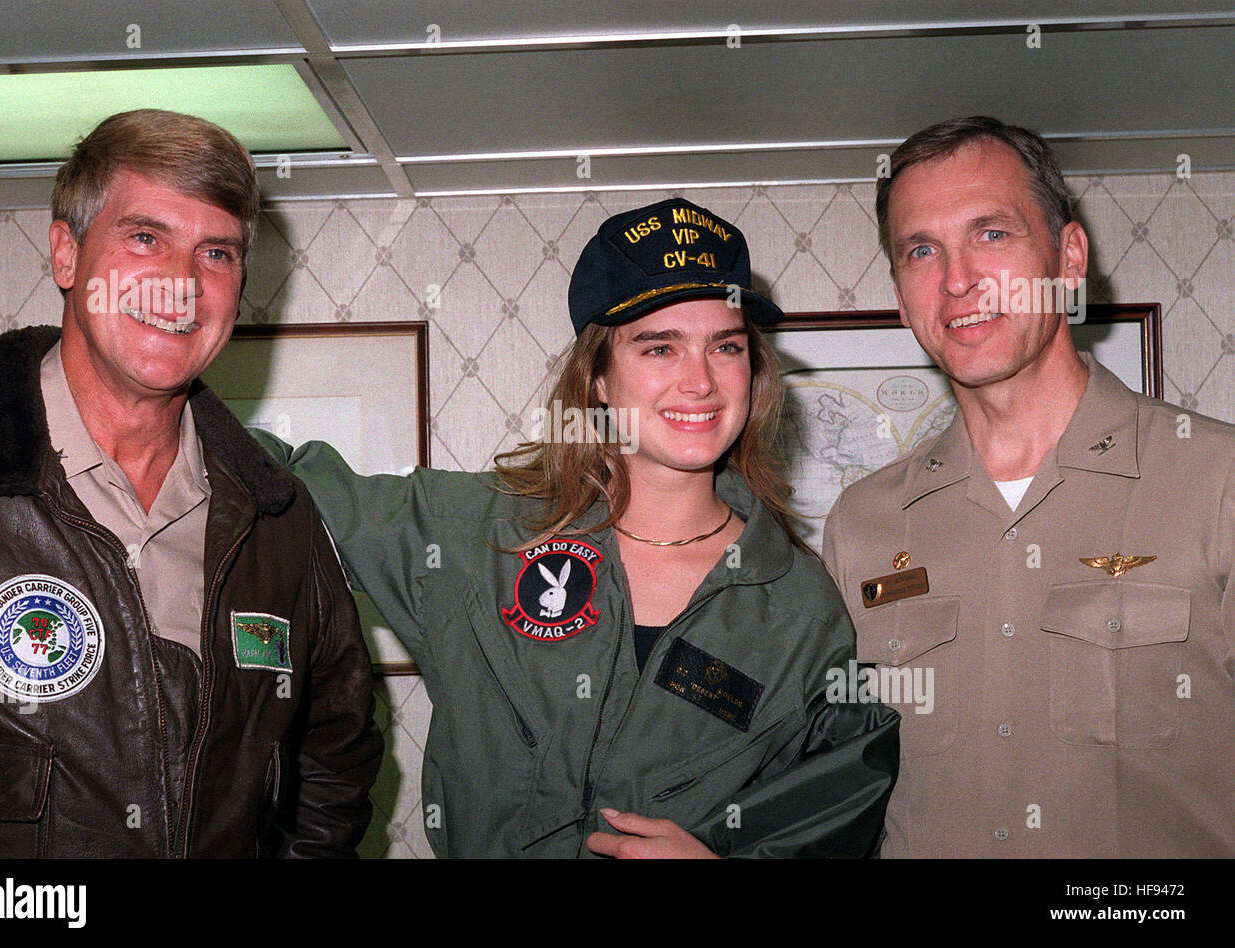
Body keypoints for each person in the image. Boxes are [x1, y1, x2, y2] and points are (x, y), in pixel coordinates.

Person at [253, 198, 899, 858]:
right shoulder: (470, 535)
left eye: (725, 346)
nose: (700, 380)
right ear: (597, 378)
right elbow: (267, 487)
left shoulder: (798, 609)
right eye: (659, 347)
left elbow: (839, 812)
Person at [0, 109, 381, 857]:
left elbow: (330, 767)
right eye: (145, 238)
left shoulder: (278, 521)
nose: (182, 285)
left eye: (217, 253)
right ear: (67, 254)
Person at [822, 116, 1235, 857]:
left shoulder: (1217, 484)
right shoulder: (863, 525)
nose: (957, 280)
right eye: (922, 250)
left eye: (992, 234)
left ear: (1069, 257)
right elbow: (830, 785)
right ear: (900, 290)